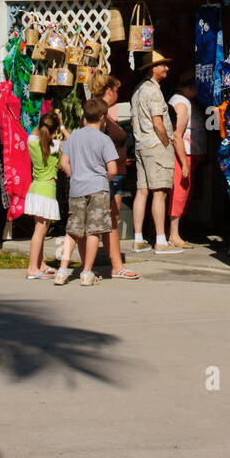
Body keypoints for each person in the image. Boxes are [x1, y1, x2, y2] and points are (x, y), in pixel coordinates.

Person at [55, 96, 118, 287]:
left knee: (72, 231)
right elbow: (113, 169)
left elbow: (63, 162)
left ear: (84, 117)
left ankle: (62, 269)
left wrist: (75, 176)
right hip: (97, 187)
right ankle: (87, 271)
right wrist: (102, 179)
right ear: (102, 117)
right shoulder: (104, 139)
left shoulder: (74, 136)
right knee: (93, 231)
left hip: (77, 187)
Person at [130, 51, 184, 253]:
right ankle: (161, 240)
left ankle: (138, 237)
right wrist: (166, 143)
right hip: (154, 145)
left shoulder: (138, 89)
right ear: (153, 68)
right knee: (159, 193)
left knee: (142, 191)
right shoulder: (153, 91)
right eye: (162, 65)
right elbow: (158, 122)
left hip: (141, 144)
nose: (167, 68)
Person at [89, 72, 138, 278]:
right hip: (107, 174)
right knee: (104, 219)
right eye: (116, 90)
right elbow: (93, 141)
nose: (118, 93)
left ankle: (115, 263)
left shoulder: (107, 114)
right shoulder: (98, 114)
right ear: (109, 91)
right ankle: (111, 264)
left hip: (116, 173)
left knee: (112, 219)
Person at [167, 69, 206, 250]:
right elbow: (177, 135)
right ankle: (173, 234)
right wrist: (183, 161)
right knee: (179, 192)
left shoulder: (188, 102)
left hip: (192, 153)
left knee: (186, 192)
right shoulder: (181, 103)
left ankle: (177, 231)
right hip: (185, 153)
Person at [24, 111, 65, 279]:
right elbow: (72, 141)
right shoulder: (54, 146)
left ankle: (39, 263)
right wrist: (61, 124)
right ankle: (33, 268)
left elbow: (35, 132)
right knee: (40, 230)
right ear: (54, 131)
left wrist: (46, 121)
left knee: (39, 229)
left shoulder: (33, 142)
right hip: (46, 190)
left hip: (35, 188)